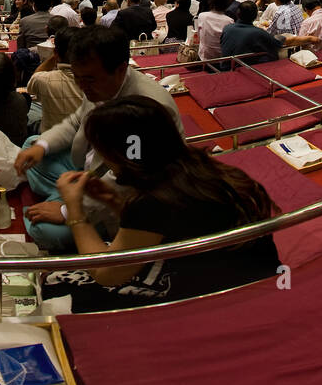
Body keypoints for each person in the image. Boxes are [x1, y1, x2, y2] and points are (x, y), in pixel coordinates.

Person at [40, 98, 281, 311]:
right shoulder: (196, 165)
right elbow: (163, 228)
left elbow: (106, 273)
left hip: (223, 295)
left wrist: (75, 209)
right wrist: (112, 200)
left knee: (56, 285)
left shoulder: (156, 199)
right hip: (243, 270)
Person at [15, 25, 176, 251]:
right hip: (89, 166)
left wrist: (68, 210)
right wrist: (43, 146)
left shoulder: (147, 110)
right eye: (78, 78)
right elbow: (75, 122)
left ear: (120, 69)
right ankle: (62, 192)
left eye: (88, 80)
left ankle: (62, 197)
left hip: (122, 192)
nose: (82, 87)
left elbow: (129, 180)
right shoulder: (96, 84)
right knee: (31, 146)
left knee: (45, 232)